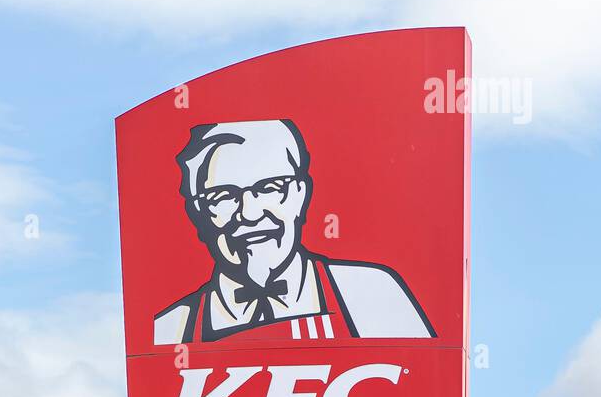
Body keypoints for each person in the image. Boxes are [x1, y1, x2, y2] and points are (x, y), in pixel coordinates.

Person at [154, 118, 435, 345]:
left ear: (301, 195)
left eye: (270, 188)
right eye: (223, 196)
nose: (249, 213)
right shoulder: (173, 328)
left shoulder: (369, 294)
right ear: (198, 214)